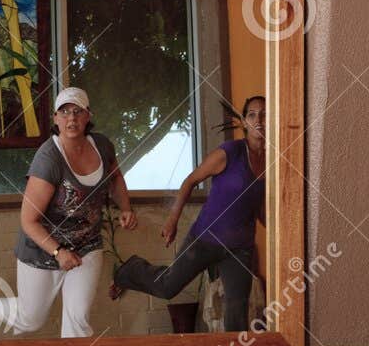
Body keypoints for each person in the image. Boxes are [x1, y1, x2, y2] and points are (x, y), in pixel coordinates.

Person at [0, 87, 136, 338]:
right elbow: (28, 220)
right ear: (55, 118)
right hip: (43, 248)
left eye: (77, 112)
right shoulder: (49, 158)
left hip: (87, 244)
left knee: (78, 319)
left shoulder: (103, 146)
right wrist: (58, 252)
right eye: (64, 112)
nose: (71, 119)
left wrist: (126, 208)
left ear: (88, 116)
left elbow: (115, 176)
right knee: (31, 320)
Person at [110, 94, 267, 332]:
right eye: (253, 115)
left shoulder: (272, 161)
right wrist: (172, 220)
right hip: (205, 239)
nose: (259, 120)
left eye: (265, 114)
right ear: (244, 122)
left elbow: (259, 206)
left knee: (237, 312)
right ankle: (128, 271)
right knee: (166, 287)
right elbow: (189, 181)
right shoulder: (229, 152)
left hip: (239, 248)